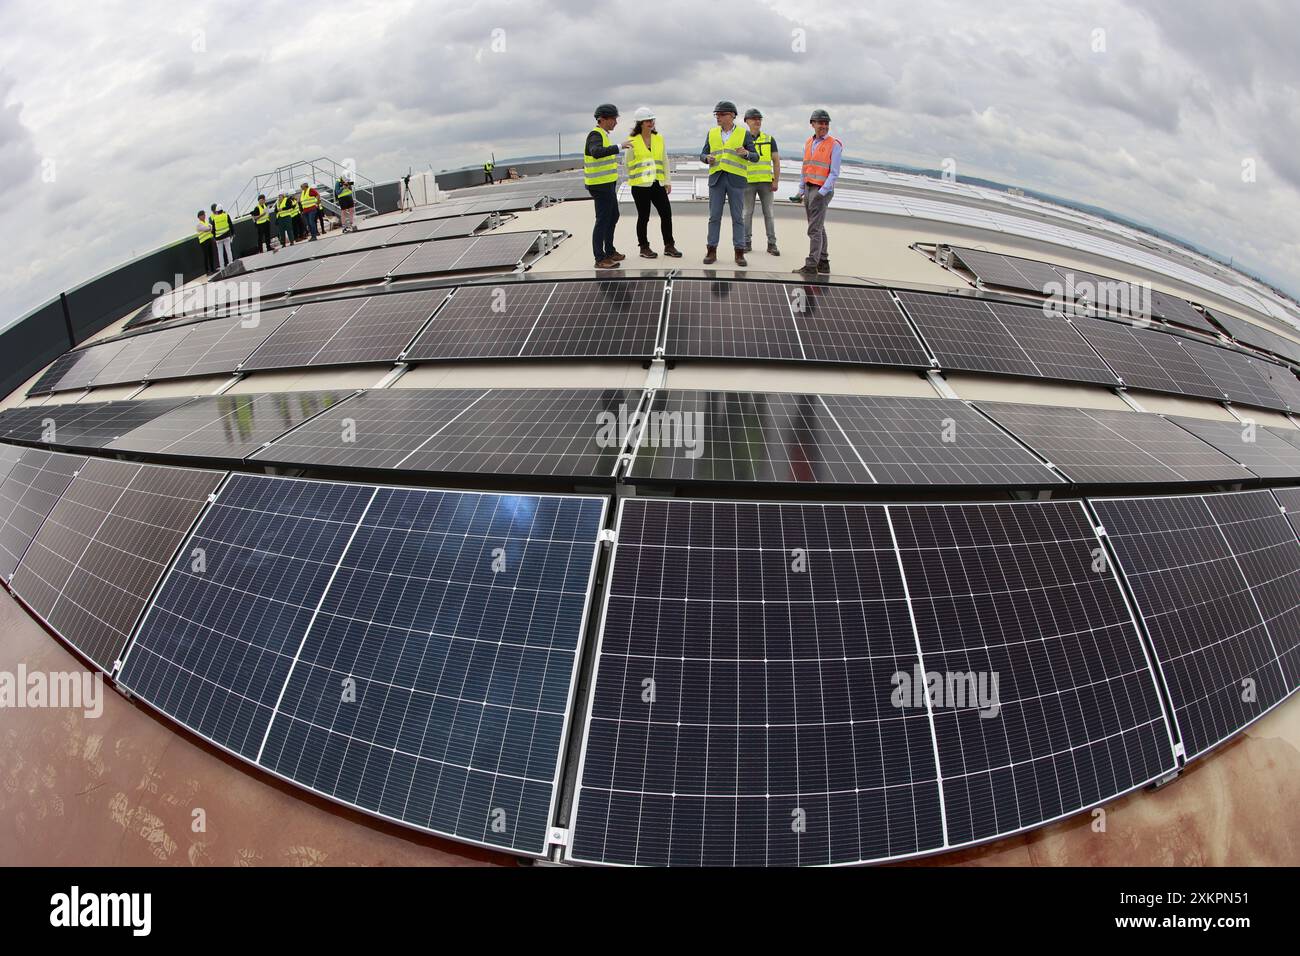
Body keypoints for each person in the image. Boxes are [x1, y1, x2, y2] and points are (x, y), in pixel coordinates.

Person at [700, 100, 759, 266]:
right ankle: (711, 251)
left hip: (736, 181)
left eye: (721, 114)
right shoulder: (711, 133)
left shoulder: (743, 133)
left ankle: (739, 253)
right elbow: (703, 154)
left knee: (737, 218)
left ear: (732, 115)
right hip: (717, 179)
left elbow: (755, 157)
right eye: (716, 114)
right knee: (714, 217)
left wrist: (746, 153)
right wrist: (706, 158)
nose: (718, 117)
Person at [623, 107, 680, 259]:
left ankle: (669, 246)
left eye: (652, 120)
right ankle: (644, 247)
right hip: (640, 186)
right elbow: (627, 163)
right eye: (648, 121)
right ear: (640, 123)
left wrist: (667, 181)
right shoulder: (632, 141)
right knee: (644, 217)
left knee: (666, 214)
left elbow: (665, 161)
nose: (651, 123)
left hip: (657, 183)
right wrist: (636, 178)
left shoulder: (659, 138)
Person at [792, 108, 841, 276]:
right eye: (820, 123)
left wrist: (822, 193)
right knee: (818, 227)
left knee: (813, 229)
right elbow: (805, 167)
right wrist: (801, 190)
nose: (824, 126)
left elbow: (834, 173)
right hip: (808, 187)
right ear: (812, 124)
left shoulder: (834, 144)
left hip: (821, 190)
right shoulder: (808, 143)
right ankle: (824, 262)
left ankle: (812, 265)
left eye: (826, 123)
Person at [585, 103, 630, 269]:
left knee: (613, 216)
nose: (616, 123)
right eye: (613, 119)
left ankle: (610, 251)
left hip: (607, 184)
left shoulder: (603, 134)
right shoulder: (595, 135)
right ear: (602, 119)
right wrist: (619, 146)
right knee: (603, 220)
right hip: (599, 186)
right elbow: (596, 152)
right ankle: (600, 258)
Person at [742, 108, 780, 256]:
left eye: (759, 119)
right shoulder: (742, 139)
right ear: (747, 121)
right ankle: (746, 243)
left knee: (769, 213)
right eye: (753, 118)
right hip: (748, 182)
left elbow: (776, 161)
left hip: (766, 183)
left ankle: (772, 244)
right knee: (747, 213)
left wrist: (776, 180)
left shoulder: (769, 139)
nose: (757, 121)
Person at [211, 205, 235, 270]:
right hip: (226, 236)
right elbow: (231, 225)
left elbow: (213, 230)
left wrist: (214, 237)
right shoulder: (226, 215)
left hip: (218, 238)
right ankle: (230, 262)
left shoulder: (214, 219)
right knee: (228, 250)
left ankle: (222, 267)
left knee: (220, 253)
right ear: (222, 210)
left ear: (217, 211)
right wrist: (233, 233)